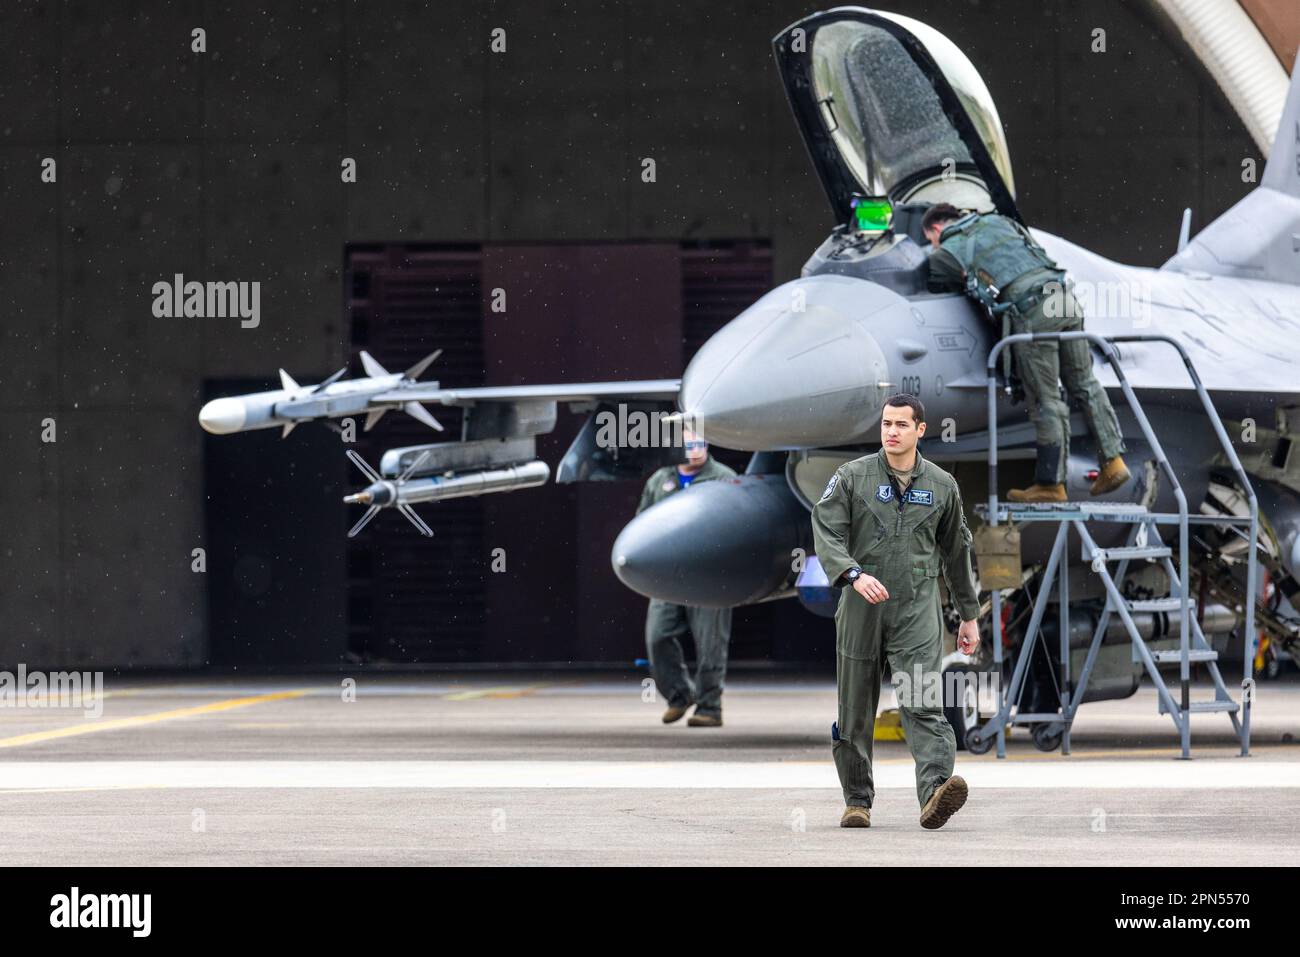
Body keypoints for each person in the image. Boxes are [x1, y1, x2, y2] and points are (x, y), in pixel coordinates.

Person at [811, 394, 980, 829]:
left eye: (901, 425)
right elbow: (826, 528)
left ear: (920, 430)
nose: (891, 431)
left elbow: (957, 552)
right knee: (854, 711)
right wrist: (851, 574)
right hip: (861, 606)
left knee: (921, 700)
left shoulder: (942, 486)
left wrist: (969, 614)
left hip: (916, 609)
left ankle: (936, 792)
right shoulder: (852, 477)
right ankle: (857, 800)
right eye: (886, 423)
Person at [922, 202, 1130, 503]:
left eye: (931, 238)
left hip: (1033, 312)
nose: (933, 243)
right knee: (1084, 383)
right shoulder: (1001, 223)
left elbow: (934, 279)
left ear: (936, 229)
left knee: (1046, 399)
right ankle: (1113, 461)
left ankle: (1051, 484)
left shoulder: (949, 250)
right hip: (1063, 297)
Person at [636, 429, 737, 727]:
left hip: (709, 576)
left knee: (711, 644)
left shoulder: (723, 477)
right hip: (667, 576)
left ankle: (709, 707)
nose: (694, 448)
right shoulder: (660, 480)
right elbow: (643, 521)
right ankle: (679, 694)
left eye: (699, 441)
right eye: (687, 442)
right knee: (657, 636)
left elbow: (736, 525)